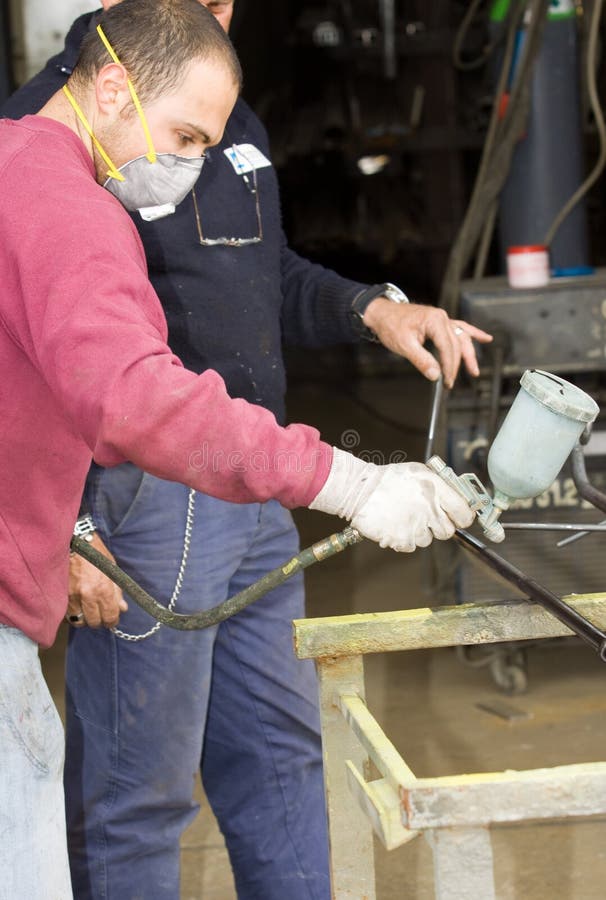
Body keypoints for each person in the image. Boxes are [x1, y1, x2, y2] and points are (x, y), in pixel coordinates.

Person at [1, 2, 488, 898]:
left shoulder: (199, 110)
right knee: (135, 796)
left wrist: (367, 306)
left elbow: (257, 277)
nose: (191, 163)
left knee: (276, 756)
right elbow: (112, 387)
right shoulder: (54, 172)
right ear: (114, 70)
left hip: (254, 473)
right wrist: (70, 526)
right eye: (184, 138)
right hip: (157, 491)